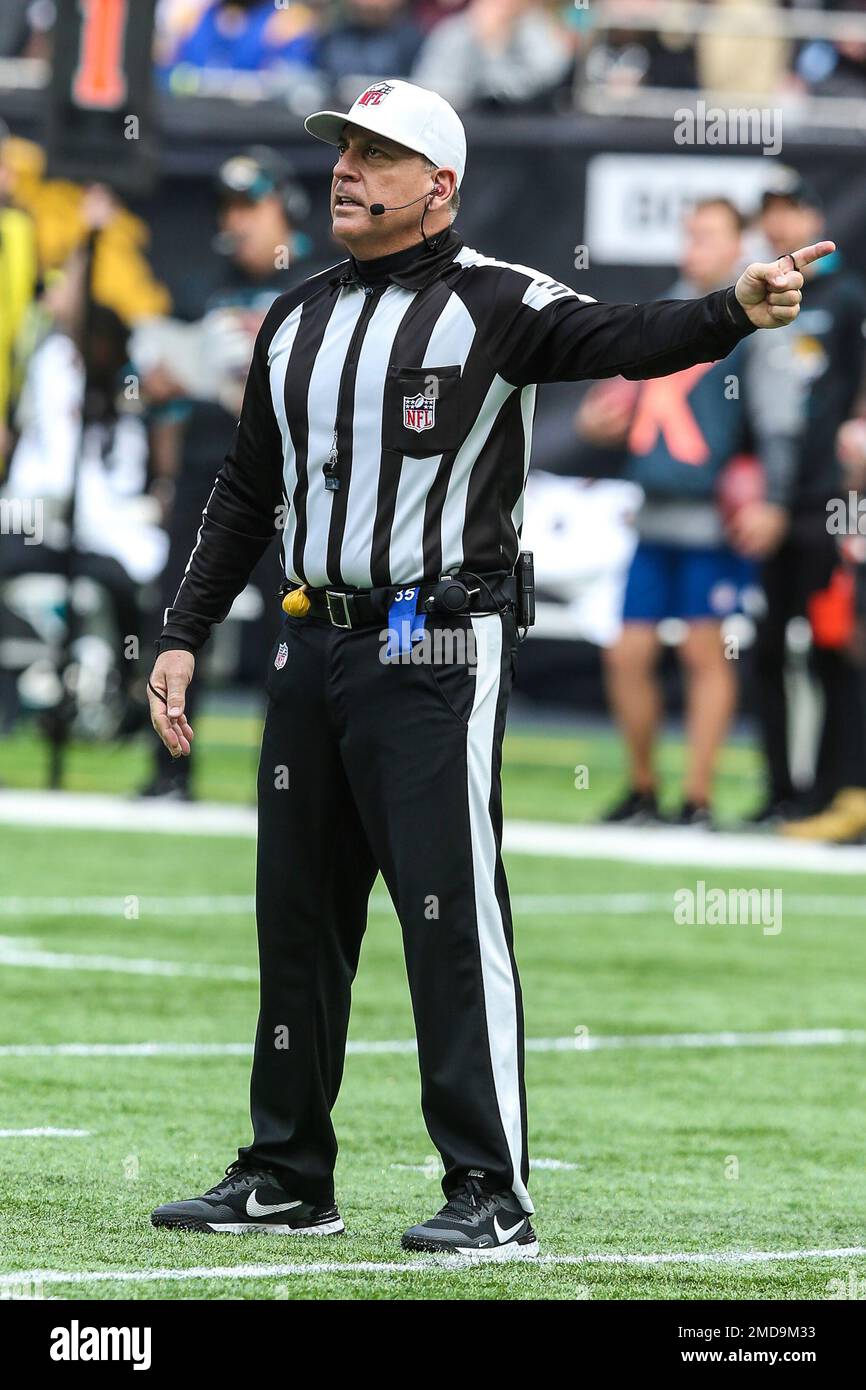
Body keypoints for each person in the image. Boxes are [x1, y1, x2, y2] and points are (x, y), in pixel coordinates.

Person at [146, 78, 830, 1257]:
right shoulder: (295, 318)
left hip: (436, 642)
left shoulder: (497, 302)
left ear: (439, 186)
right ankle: (285, 1170)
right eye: (343, 149)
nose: (347, 170)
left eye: (378, 154)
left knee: (448, 913)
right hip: (313, 637)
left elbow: (624, 335)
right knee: (295, 920)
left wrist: (729, 307)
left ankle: (489, 1187)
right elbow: (245, 489)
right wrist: (180, 631)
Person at [136, 146, 313, 800]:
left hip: (286, 485)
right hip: (209, 475)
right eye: (229, 207)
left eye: (251, 206)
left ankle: (283, 780)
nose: (236, 221)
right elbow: (166, 392)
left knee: (285, 628)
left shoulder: (323, 284)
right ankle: (169, 771)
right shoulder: (200, 287)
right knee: (178, 619)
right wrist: (158, 400)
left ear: (284, 211)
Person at [583, 199, 759, 827]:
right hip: (653, 511)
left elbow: (773, 418)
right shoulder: (667, 309)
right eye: (690, 235)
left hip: (713, 516)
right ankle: (642, 789)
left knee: (703, 653)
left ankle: (698, 798)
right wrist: (599, 420)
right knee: (626, 654)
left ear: (739, 244)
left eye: (708, 236)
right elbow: (614, 401)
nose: (694, 247)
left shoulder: (754, 315)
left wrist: (767, 495)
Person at [743, 172, 866, 826]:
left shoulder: (845, 297)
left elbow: (842, 408)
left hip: (828, 503)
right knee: (766, 647)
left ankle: (835, 793)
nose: (780, 225)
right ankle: (780, 792)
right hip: (772, 502)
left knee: (831, 643)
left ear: (814, 215)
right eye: (771, 214)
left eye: (791, 211)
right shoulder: (761, 295)